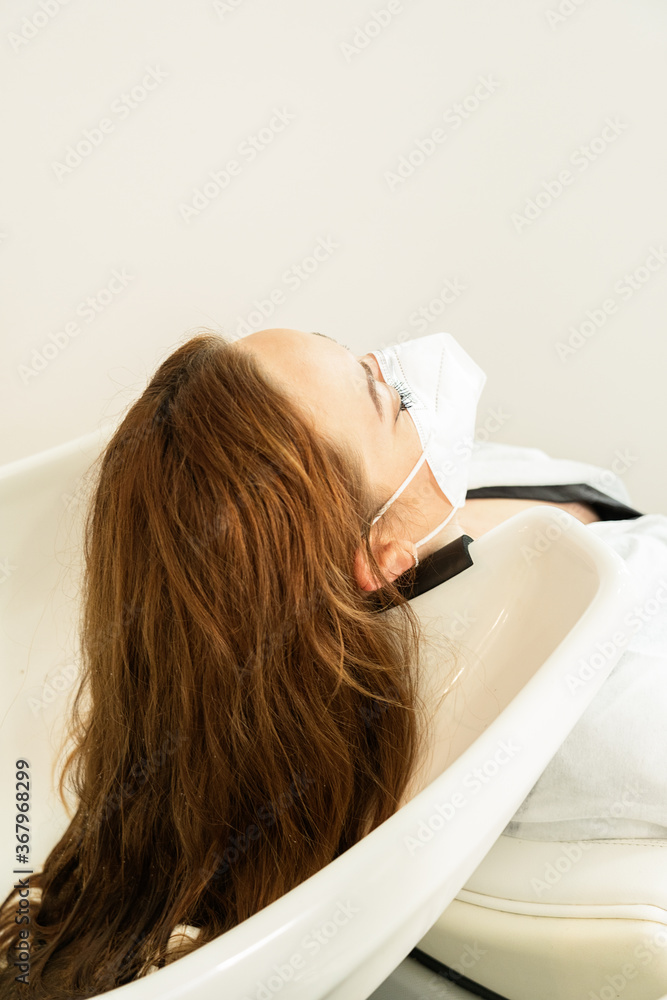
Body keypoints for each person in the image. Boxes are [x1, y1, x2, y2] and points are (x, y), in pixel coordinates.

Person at [0, 327, 663, 997]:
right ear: (378, 557)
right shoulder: (595, 702)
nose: (407, 371)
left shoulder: (426, 496)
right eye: (388, 398)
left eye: (359, 354)